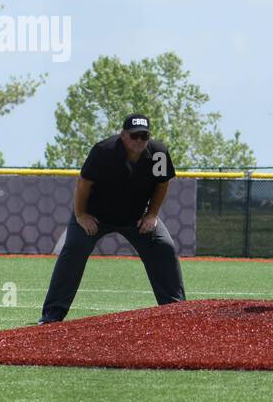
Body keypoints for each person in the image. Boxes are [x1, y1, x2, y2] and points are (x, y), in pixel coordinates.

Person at [39, 114, 186, 323]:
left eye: (144, 136)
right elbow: (83, 183)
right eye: (134, 136)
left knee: (164, 246)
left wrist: (152, 214)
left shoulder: (158, 153)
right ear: (123, 135)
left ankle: (176, 312)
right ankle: (52, 315)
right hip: (95, 216)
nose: (139, 141)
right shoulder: (103, 151)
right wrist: (81, 215)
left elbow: (162, 183)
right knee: (73, 249)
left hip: (136, 217)